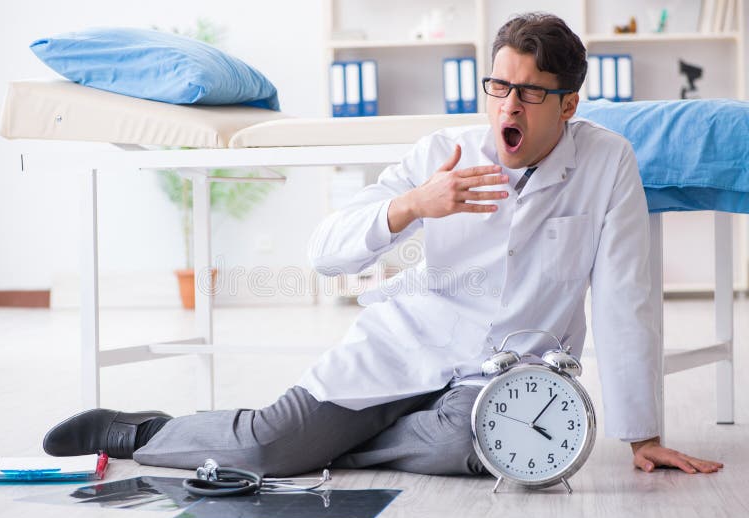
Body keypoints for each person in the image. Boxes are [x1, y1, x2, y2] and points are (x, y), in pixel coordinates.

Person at [44, 12, 723, 477]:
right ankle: (141, 434)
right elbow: (324, 252)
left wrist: (645, 434)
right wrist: (411, 206)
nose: (507, 108)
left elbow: (626, 297)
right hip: (407, 345)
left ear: (569, 104)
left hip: (505, 372)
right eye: (497, 87)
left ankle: (328, 447)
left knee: (480, 446)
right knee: (266, 448)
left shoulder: (608, 162)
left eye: (528, 94)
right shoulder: (440, 153)